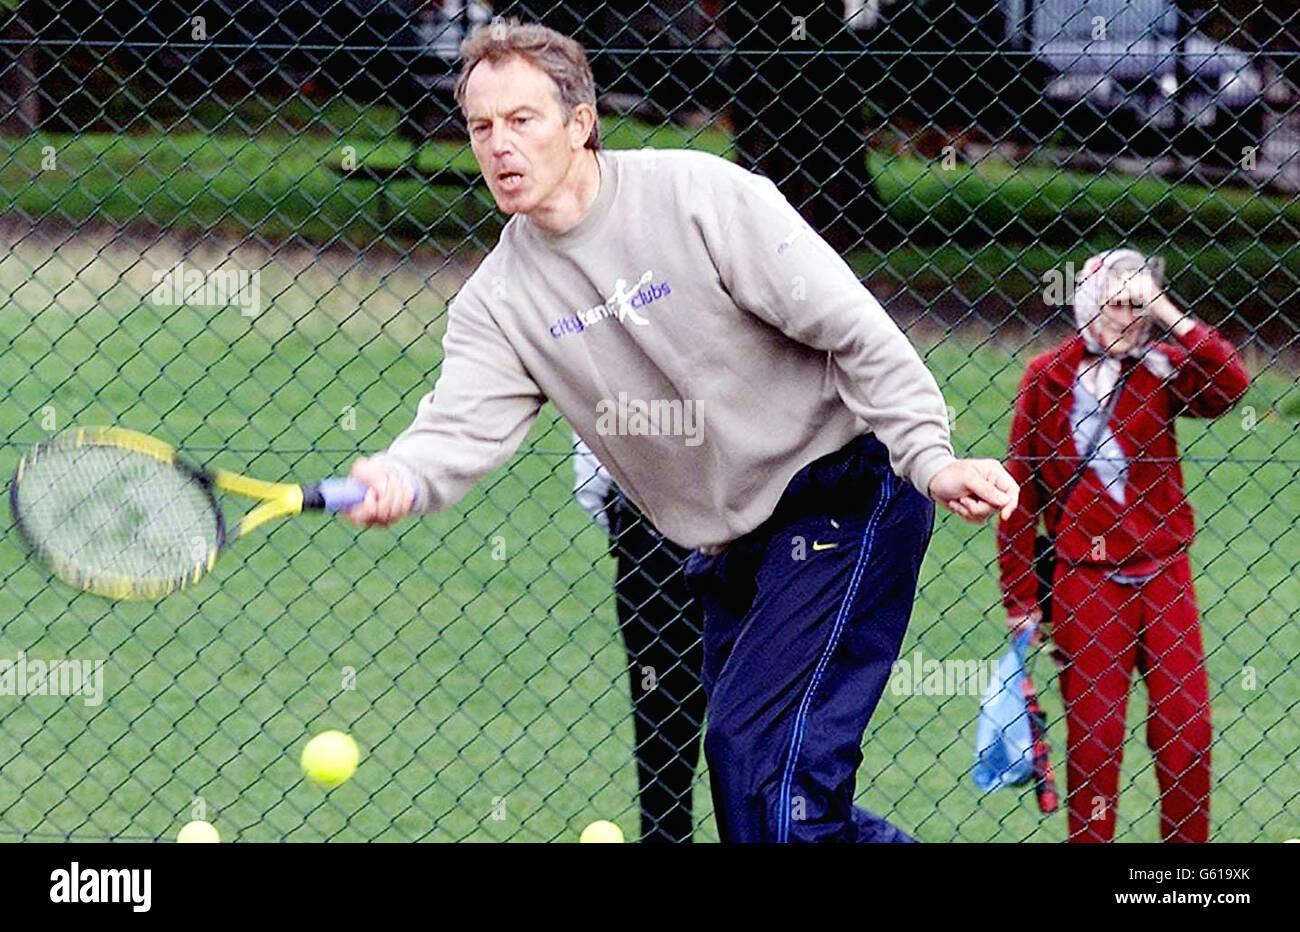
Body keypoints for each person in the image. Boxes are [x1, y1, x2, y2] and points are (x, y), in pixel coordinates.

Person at [341, 19, 1019, 842]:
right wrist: (402, 476)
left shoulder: (699, 195)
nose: (498, 146)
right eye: (482, 126)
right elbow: (458, 428)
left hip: (842, 497)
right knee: (759, 800)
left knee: (765, 774)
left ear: (580, 122)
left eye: (522, 120)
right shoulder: (500, 301)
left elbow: (855, 329)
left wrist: (929, 457)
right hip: (730, 551)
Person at [997, 249, 1249, 843]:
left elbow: (1230, 385)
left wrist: (1165, 309)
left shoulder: (1159, 367)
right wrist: (1019, 596)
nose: (1127, 321)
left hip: (1163, 573)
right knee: (1095, 741)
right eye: (1115, 306)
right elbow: (1021, 495)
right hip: (1084, 580)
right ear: (1085, 305)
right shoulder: (1046, 376)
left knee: (1187, 731)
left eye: (1138, 310)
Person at [573, 436, 705, 843]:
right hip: (762, 526)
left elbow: (592, 455)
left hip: (652, 529)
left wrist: (615, 510)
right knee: (763, 730)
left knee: (663, 723)